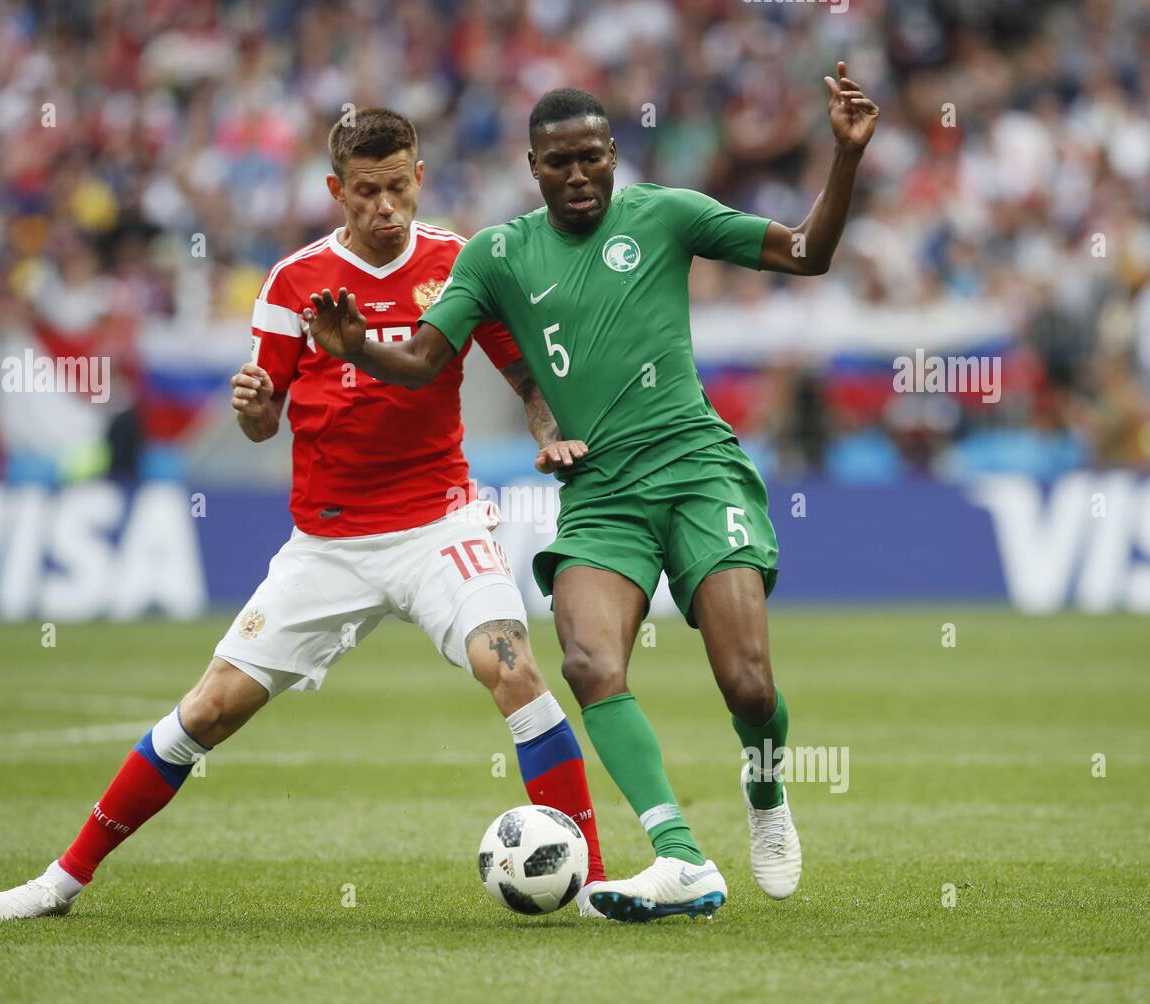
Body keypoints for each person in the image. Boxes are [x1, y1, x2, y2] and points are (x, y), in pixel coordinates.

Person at [0, 108, 608, 922]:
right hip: (329, 542)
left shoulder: (458, 264)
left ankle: (589, 883)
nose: (385, 207)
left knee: (514, 667)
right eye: (366, 193)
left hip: (439, 523)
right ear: (336, 191)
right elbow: (261, 418)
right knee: (208, 709)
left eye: (398, 187)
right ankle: (62, 880)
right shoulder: (293, 284)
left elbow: (528, 383)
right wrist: (251, 405)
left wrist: (549, 436)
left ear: (419, 178)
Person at [301, 66, 879, 921]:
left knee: (749, 685)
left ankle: (765, 795)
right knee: (587, 662)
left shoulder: (668, 214)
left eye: (591, 160)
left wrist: (843, 154)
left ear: (614, 155)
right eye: (557, 164)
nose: (577, 177)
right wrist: (357, 349)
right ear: (532, 168)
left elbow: (808, 252)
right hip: (600, 494)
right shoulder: (496, 254)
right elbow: (424, 361)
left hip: (694, 469)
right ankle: (680, 857)